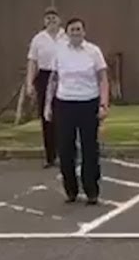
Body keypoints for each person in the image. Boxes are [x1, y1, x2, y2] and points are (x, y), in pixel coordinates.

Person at [44, 17, 110, 205]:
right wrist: (48, 105)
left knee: (90, 148)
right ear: (67, 33)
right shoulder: (60, 52)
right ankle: (70, 189)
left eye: (78, 29)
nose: (75, 33)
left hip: (88, 102)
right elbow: (53, 80)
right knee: (65, 148)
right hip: (65, 103)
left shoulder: (93, 51)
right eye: (72, 30)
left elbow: (103, 79)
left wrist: (104, 104)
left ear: (84, 32)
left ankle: (91, 190)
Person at [24, 7, 67, 168]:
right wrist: (29, 83)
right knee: (47, 116)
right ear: (44, 21)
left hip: (63, 75)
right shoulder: (38, 39)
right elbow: (32, 62)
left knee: (63, 116)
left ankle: (66, 154)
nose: (51, 21)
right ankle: (50, 156)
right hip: (44, 75)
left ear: (59, 20)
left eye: (54, 17)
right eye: (48, 18)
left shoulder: (66, 36)